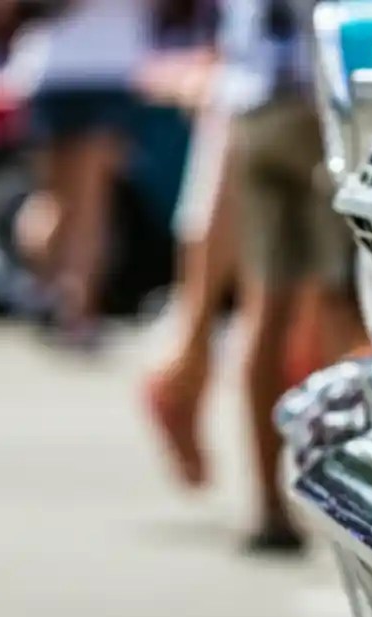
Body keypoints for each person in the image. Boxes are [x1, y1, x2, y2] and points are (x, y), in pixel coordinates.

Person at [228, 0, 369, 553]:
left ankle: (266, 504)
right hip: (315, 102)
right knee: (344, 304)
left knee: (266, 309)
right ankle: (353, 496)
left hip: (253, 104)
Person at [11, 0, 153, 349]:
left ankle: (45, 288)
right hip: (105, 70)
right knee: (88, 205)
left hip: (48, 70)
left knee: (53, 199)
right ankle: (77, 312)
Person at [139, 0, 239, 490]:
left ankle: (179, 374)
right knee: (297, 299)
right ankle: (179, 377)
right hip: (261, 84)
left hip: (246, 80)